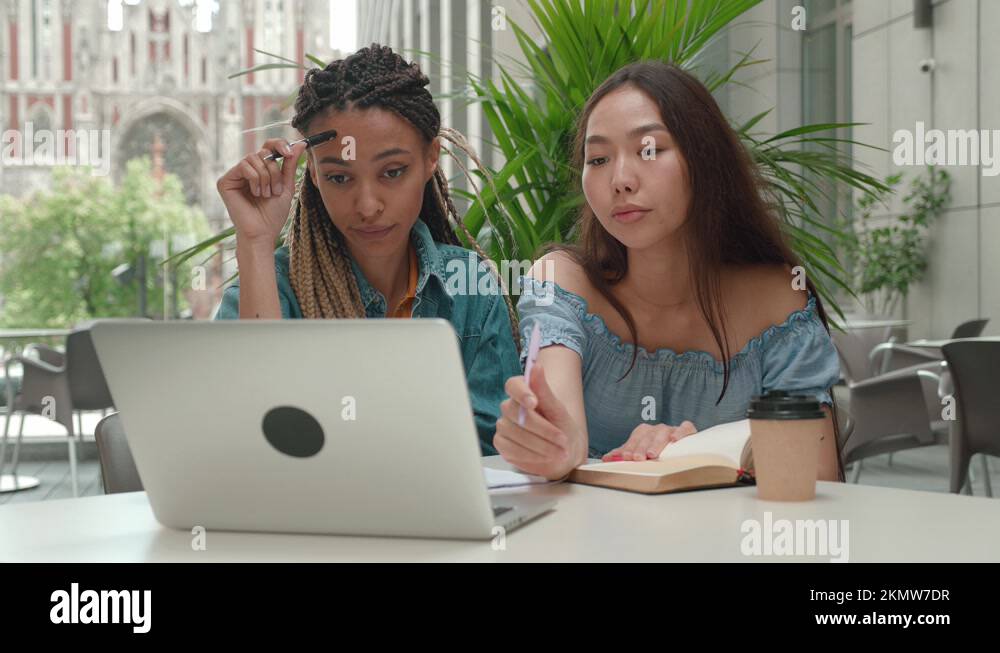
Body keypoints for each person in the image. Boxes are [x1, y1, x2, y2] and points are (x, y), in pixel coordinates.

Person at [495, 60, 843, 481]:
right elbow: (560, 425)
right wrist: (552, 445)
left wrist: (696, 453)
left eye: (649, 150)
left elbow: (816, 480)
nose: (620, 180)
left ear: (704, 161)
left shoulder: (777, 297)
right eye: (599, 158)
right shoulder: (563, 282)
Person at [214, 44, 520, 455]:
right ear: (316, 177)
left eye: (393, 172)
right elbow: (249, 433)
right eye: (340, 178)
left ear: (431, 158)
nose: (368, 205)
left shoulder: (471, 288)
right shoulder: (270, 288)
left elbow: (493, 450)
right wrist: (255, 242)